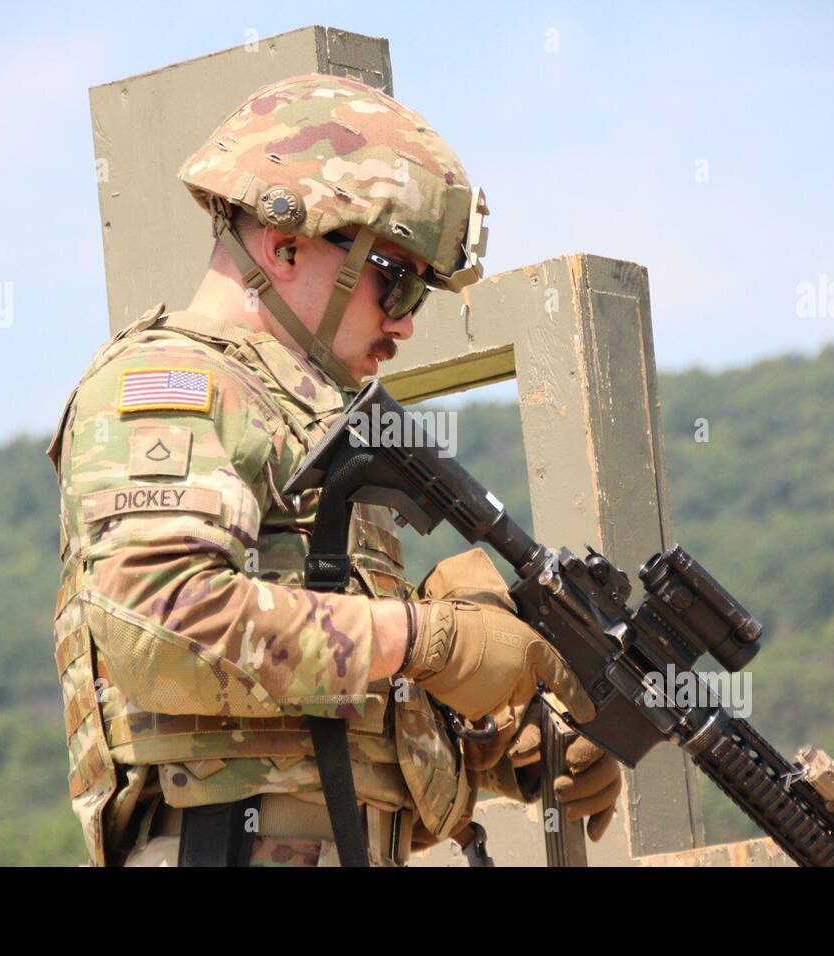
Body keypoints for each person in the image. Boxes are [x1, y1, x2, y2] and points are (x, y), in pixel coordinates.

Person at [47, 73, 622, 866]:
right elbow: (164, 629)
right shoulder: (173, 383)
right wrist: (427, 639)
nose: (403, 325)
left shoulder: (310, 421)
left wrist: (496, 750)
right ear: (285, 243)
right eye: (398, 281)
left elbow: (311, 717)